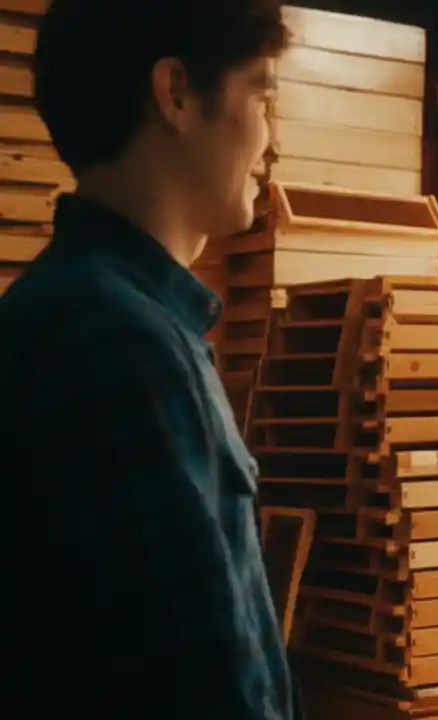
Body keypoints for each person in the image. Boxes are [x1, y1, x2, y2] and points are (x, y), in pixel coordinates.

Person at [0, 1, 295, 717]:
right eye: (262, 95)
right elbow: (198, 690)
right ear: (177, 94)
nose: (271, 144)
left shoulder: (81, 313)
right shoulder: (117, 344)